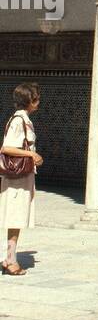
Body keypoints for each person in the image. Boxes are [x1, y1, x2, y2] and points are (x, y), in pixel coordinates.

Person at [1, 83, 42, 276]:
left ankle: (10, 258)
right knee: (15, 217)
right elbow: (6, 148)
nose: (38, 101)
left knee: (15, 218)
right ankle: (11, 261)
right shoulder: (19, 120)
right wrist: (32, 155)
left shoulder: (23, 119)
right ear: (29, 100)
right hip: (17, 178)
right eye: (36, 98)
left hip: (22, 177)